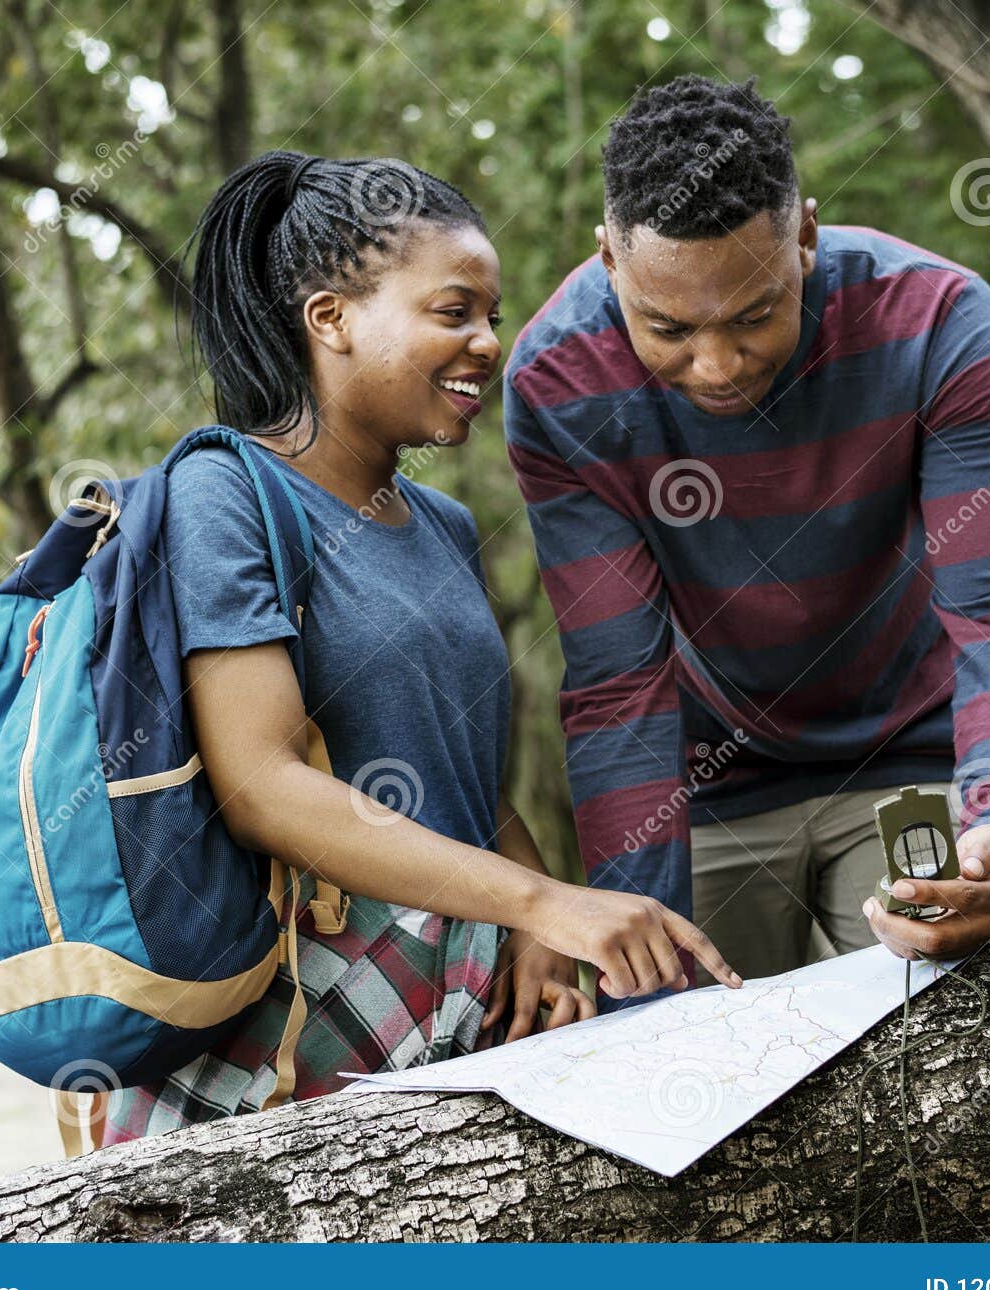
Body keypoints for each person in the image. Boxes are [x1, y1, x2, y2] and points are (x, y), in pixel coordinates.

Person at [104, 151, 739, 1141]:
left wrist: (532, 928)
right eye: (453, 312)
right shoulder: (224, 493)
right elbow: (261, 784)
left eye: (491, 314)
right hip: (281, 1036)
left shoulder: (439, 524)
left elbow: (468, 781)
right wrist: (545, 898)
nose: (488, 342)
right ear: (331, 319)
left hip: (449, 1021)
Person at [504, 76, 990, 1003]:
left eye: (756, 313)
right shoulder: (558, 382)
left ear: (805, 235)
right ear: (608, 261)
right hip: (705, 787)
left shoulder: (935, 321)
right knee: (693, 1074)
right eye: (668, 327)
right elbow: (617, 687)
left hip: (911, 757)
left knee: (943, 1040)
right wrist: (637, 959)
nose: (716, 366)